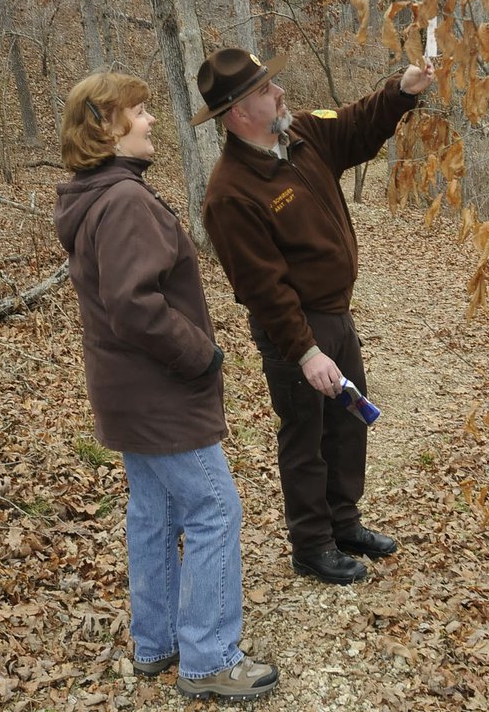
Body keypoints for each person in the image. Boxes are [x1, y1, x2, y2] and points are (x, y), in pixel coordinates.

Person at [54, 71, 278, 702]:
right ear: (106, 125)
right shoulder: (123, 201)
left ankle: (157, 646)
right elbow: (134, 307)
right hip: (158, 395)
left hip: (126, 394)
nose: (151, 120)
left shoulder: (96, 195)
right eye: (140, 111)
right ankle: (209, 660)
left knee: (152, 514)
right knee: (215, 509)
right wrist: (202, 356)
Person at [191, 47, 434, 586]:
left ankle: (344, 524)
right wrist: (305, 351)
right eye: (264, 90)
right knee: (306, 435)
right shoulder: (229, 193)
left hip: (337, 316)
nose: (279, 93)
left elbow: (353, 125)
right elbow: (263, 289)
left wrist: (403, 90)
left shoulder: (300, 134)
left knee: (348, 425)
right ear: (237, 113)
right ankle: (312, 543)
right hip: (296, 329)